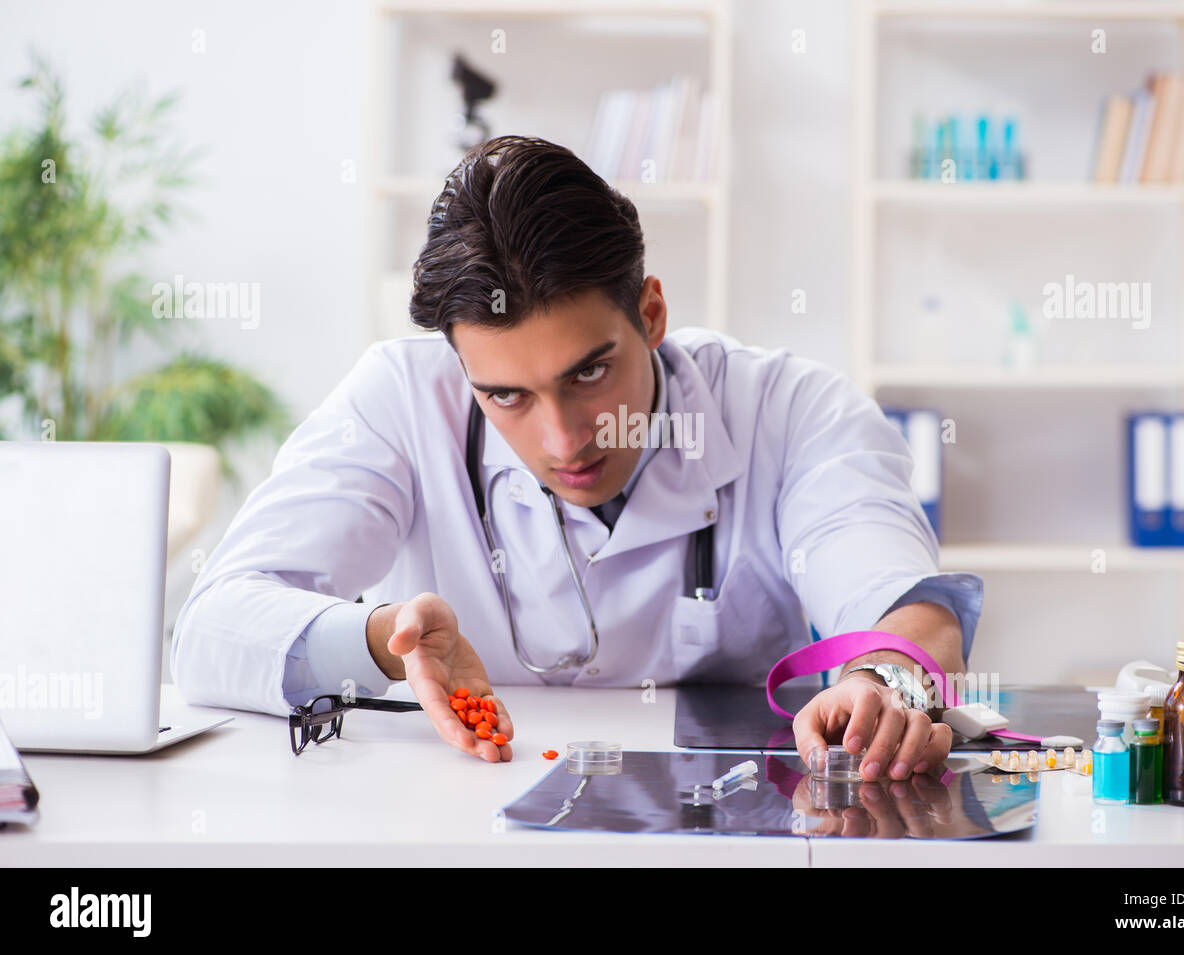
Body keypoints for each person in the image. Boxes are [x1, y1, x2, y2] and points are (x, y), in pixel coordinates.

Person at [172, 135, 983, 781]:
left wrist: (885, 686)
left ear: (652, 312)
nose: (563, 441)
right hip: (460, 812)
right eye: (506, 396)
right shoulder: (398, 400)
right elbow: (209, 630)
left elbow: (910, 611)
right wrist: (385, 639)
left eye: (588, 372)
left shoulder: (790, 411)